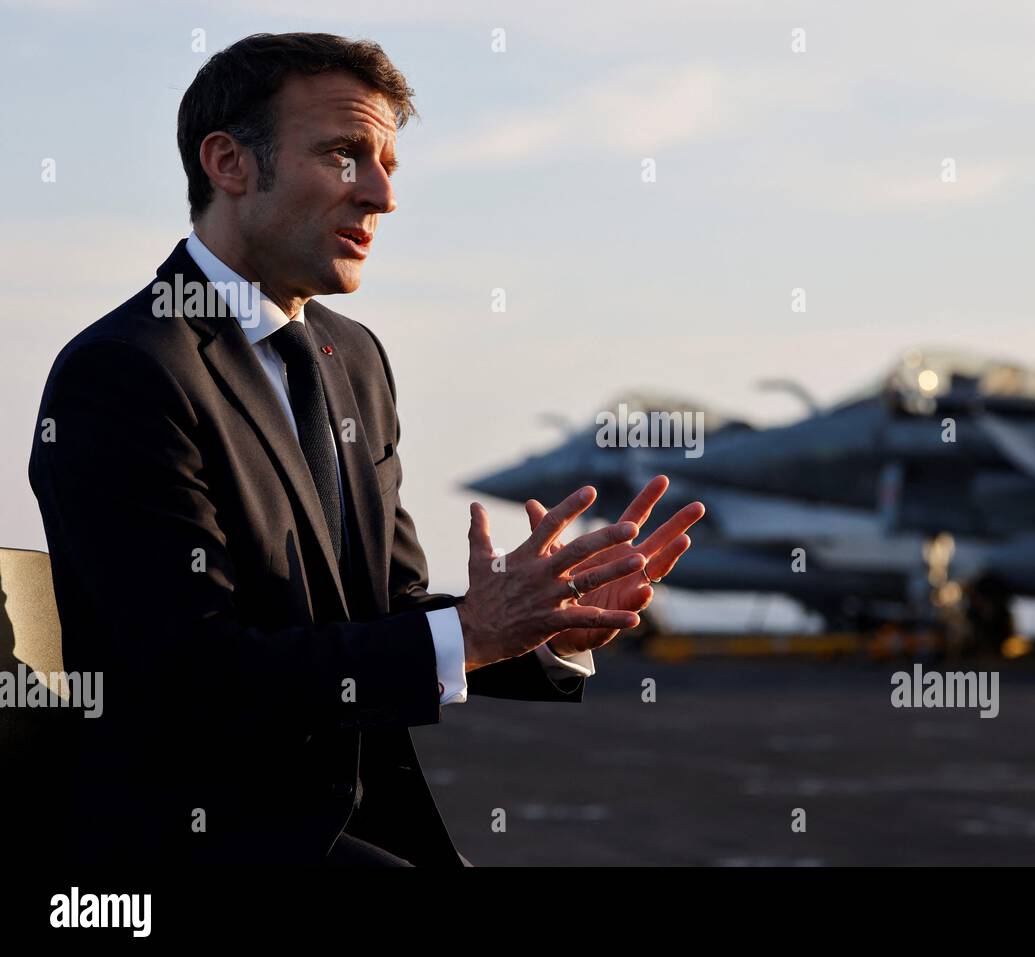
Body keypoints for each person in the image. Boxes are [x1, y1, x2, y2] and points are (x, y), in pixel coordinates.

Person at [25, 32, 704, 866]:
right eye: (345, 155)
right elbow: (195, 672)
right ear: (228, 163)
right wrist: (474, 631)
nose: (382, 195)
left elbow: (384, 605)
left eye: (387, 164)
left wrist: (550, 623)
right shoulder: (123, 372)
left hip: (359, 827)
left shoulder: (354, 357)